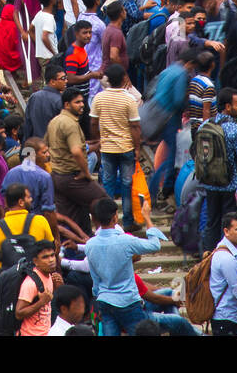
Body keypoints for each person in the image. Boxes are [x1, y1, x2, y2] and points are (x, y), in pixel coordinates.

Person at [84, 196, 166, 336]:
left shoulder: (90, 244)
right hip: (127, 300)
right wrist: (146, 217)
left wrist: (99, 293)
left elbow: (95, 278)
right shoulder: (125, 240)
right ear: (115, 217)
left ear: (95, 219)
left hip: (105, 300)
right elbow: (155, 245)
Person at [46, 89, 106, 236]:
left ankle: (79, 247)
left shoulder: (55, 121)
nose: (82, 105)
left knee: (75, 213)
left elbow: (47, 145)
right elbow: (76, 151)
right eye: (77, 102)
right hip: (71, 176)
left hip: (58, 176)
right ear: (67, 104)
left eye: (82, 101)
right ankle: (104, 238)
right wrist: (86, 172)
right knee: (102, 199)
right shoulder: (70, 124)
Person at [92, 63, 141, 232]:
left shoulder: (99, 98)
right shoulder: (129, 99)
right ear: (123, 79)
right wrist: (137, 148)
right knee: (127, 185)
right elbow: (135, 126)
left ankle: (108, 222)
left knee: (108, 185)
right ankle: (127, 221)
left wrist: (98, 140)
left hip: (107, 148)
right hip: (126, 147)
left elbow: (92, 122)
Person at [0, 182, 55, 290]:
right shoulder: (40, 221)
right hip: (37, 284)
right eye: (28, 197)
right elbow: (52, 251)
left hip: (8, 285)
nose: (31, 199)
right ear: (21, 202)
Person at [209, 211, 237, 336]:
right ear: (226, 231)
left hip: (230, 315)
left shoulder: (235, 249)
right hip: (226, 317)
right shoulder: (227, 258)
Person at [15, 241, 61, 336]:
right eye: (45, 257)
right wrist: (41, 302)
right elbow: (19, 313)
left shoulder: (50, 276)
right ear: (36, 261)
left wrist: (59, 286)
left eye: (52, 255)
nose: (51, 260)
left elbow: (49, 303)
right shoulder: (30, 283)